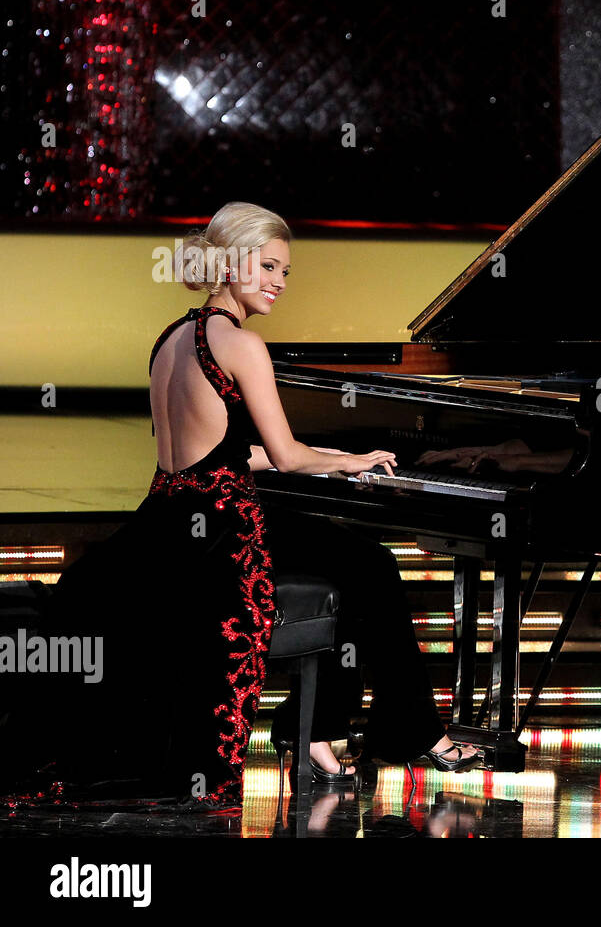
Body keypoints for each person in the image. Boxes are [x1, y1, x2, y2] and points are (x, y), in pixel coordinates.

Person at [28, 201, 478, 805]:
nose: (278, 283)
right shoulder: (241, 344)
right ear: (233, 261)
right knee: (372, 563)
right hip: (224, 527)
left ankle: (321, 730)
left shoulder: (173, 338)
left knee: (350, 559)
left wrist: (324, 450)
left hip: (163, 518)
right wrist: (349, 460)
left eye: (285, 272)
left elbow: (219, 452)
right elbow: (285, 459)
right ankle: (407, 731)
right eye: (267, 266)